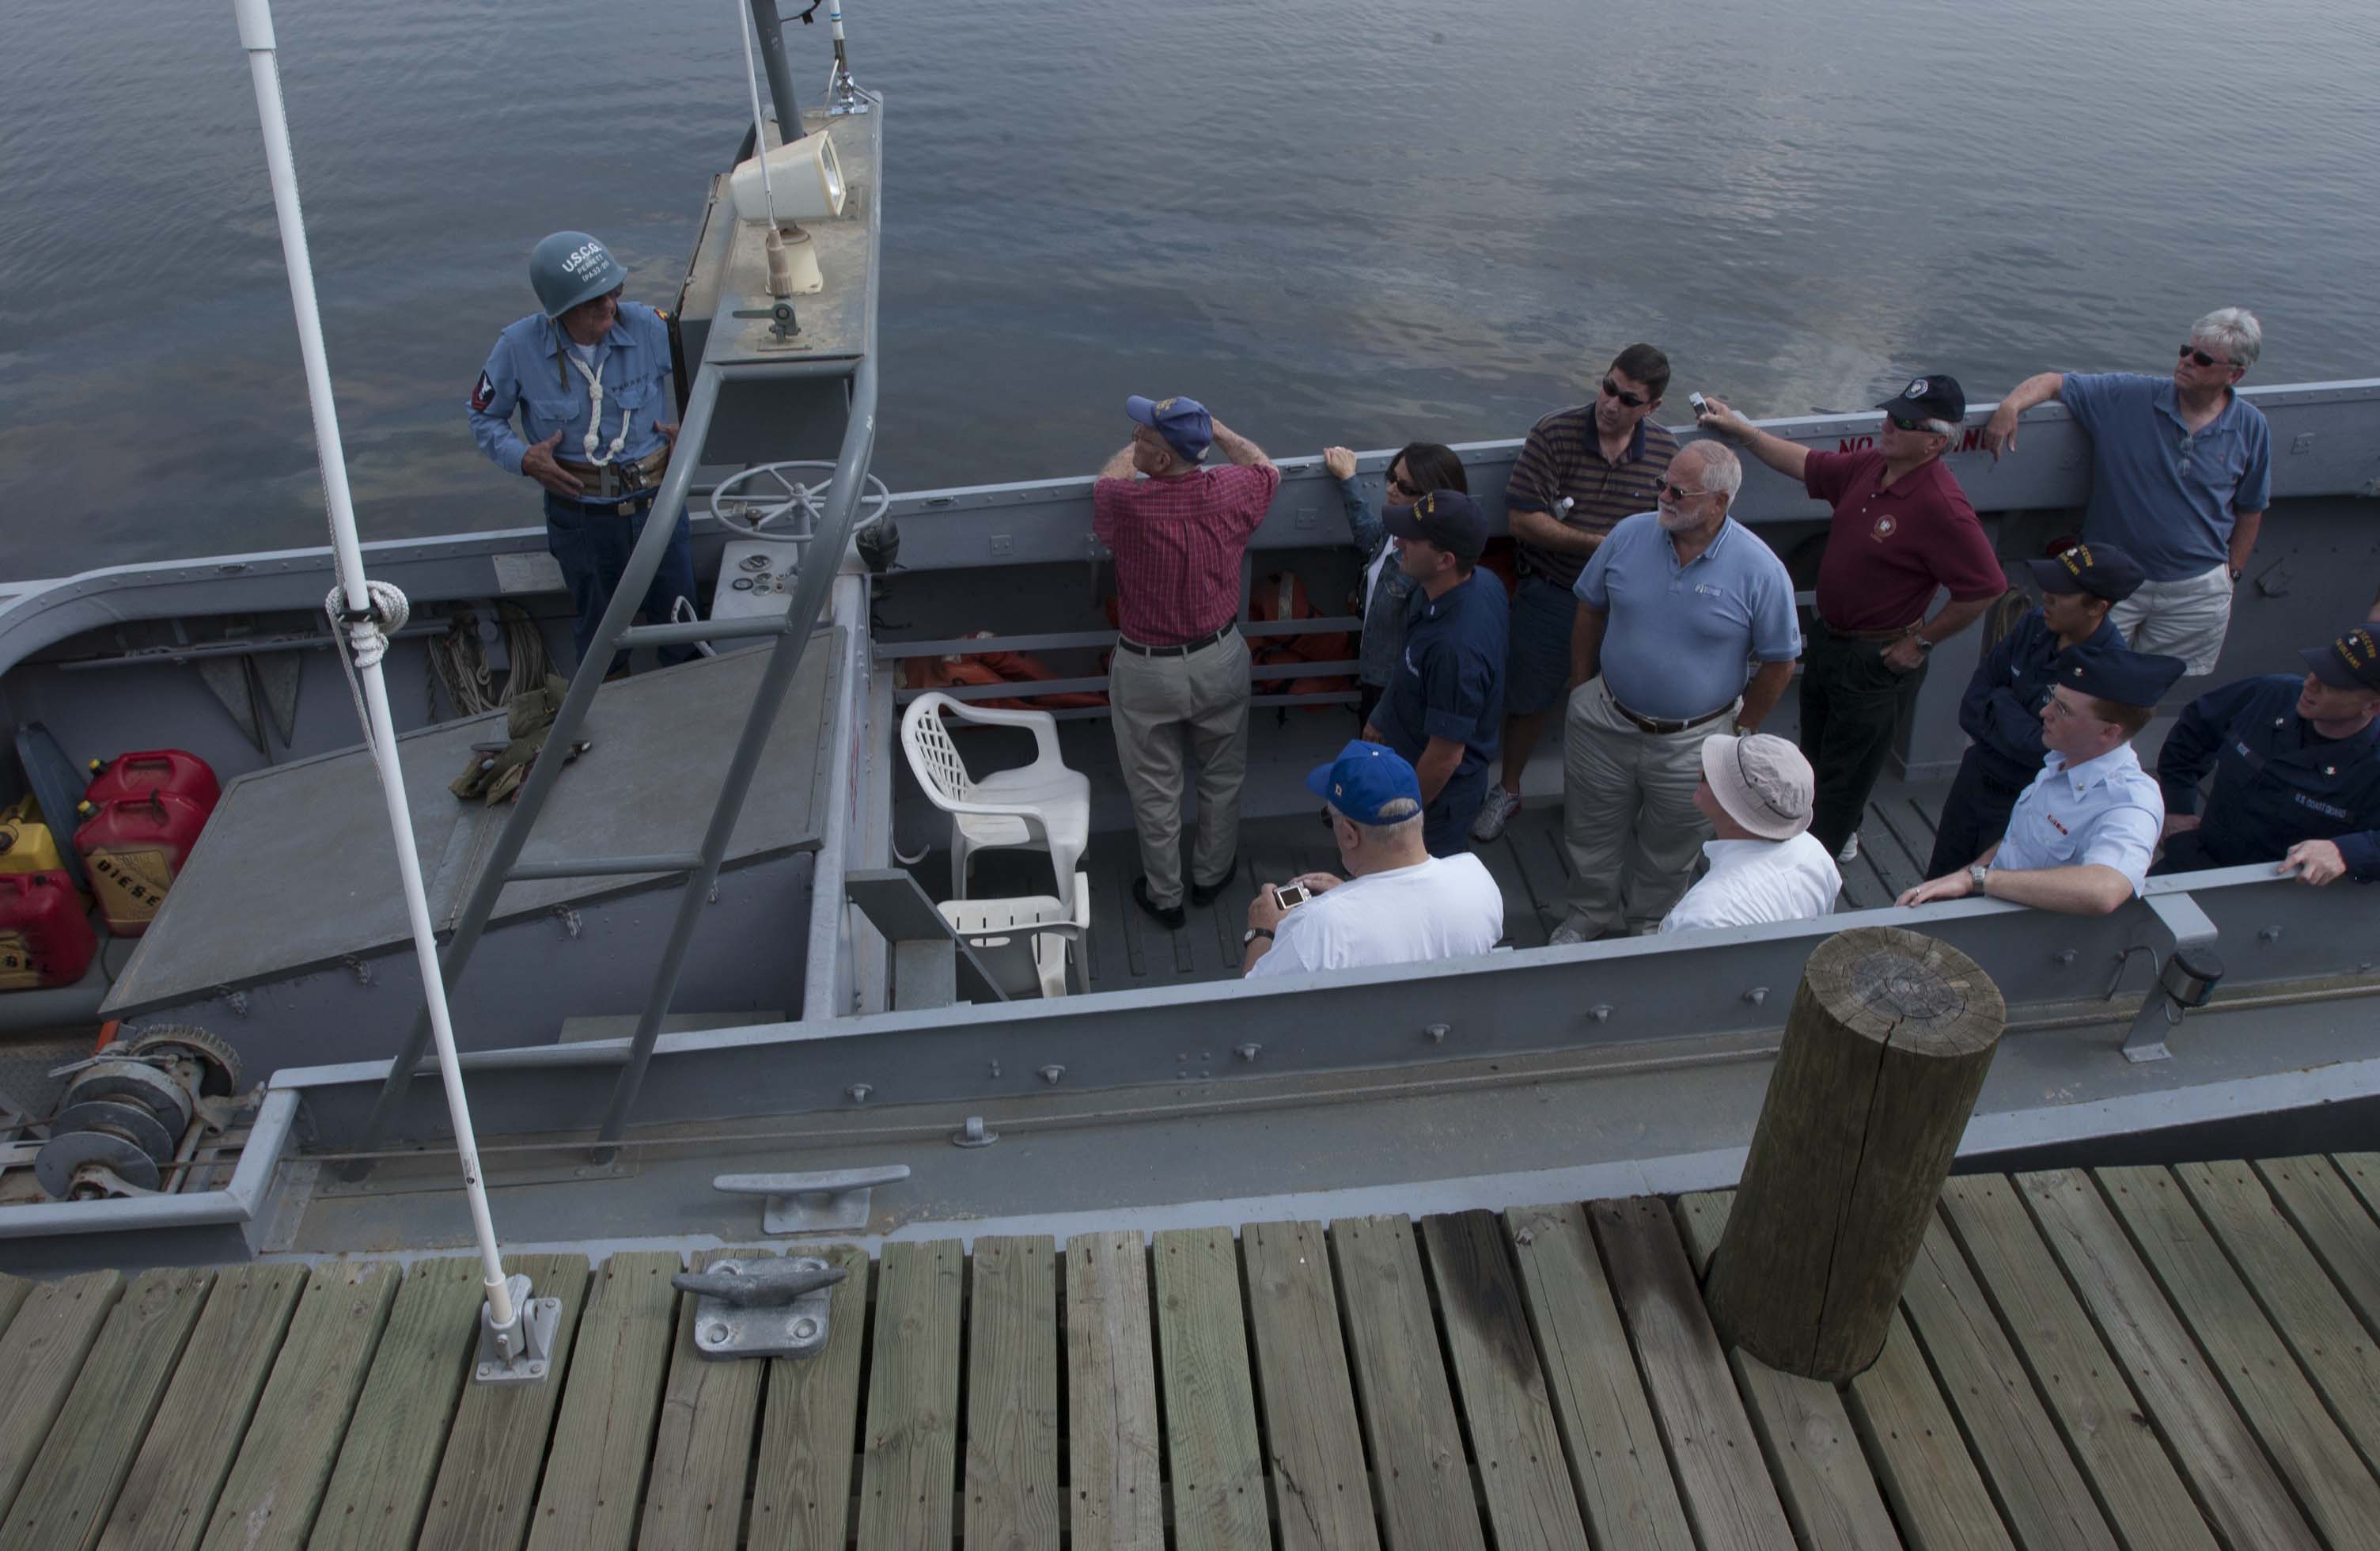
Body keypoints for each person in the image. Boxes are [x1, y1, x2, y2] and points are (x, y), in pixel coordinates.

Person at [1699, 375, 2005, 863]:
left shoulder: (1942, 506)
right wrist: (1744, 431)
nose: (1888, 425)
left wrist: (1920, 643)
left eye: (1904, 422)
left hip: (1877, 660)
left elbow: (1986, 588)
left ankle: (1811, 863)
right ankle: (1826, 833)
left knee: (1847, 773)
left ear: (1935, 441)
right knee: (1816, 752)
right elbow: (1806, 464)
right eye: (1889, 414)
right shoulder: (1872, 466)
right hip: (1830, 641)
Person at [1552, 442, 1802, 942]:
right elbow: (1589, 608)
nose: (1663, 497)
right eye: (1661, 485)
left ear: (1719, 503)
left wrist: (1741, 728)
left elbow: (1780, 661)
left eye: (1678, 492)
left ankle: (1649, 923)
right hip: (1604, 722)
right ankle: (1587, 914)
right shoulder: (1627, 536)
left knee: (1673, 845)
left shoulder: (1761, 570)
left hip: (1697, 740)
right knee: (1589, 828)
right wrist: (1582, 686)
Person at [1983, 309, 2271, 676]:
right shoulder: (2127, 397)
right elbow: (2054, 382)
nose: (2186, 362)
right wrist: (2011, 406)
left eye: (2201, 359)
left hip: (2196, 591)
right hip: (2111, 585)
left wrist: (2232, 574)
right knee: (2077, 678)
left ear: (2235, 374)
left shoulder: (2252, 427)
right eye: (2185, 350)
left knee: (2150, 689)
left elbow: (2251, 507)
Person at [1472, 345, 1681, 843]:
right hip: (1552, 592)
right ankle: (1508, 789)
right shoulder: (1554, 432)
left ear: (1651, 408)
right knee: (1528, 697)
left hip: (1627, 606)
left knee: (1629, 701)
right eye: (1608, 387)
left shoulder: (1667, 454)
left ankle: (1613, 799)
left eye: (1628, 399)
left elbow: (1677, 526)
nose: (1610, 403)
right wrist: (1603, 546)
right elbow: (1522, 519)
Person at [469, 231, 695, 677]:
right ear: (560, 311)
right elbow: (483, 417)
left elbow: (710, 369)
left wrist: (692, 423)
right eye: (594, 301)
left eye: (614, 292)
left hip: (658, 510)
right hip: (583, 520)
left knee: (683, 627)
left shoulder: (650, 327)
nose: (609, 306)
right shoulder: (518, 348)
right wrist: (523, 458)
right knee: (602, 641)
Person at [1093, 395, 1280, 929]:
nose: (1134, 441)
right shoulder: (1233, 490)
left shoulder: (1126, 505)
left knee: (1156, 789)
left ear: (1157, 461)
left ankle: (1165, 895)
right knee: (1222, 777)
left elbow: (1106, 482)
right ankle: (1212, 876)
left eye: (1143, 437)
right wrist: (1215, 429)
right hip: (1219, 657)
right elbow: (1265, 467)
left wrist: (1132, 452)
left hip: (1147, 668)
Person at [1898, 645, 2185, 914]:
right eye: (2053, 700)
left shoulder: (2130, 802)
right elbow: (2022, 842)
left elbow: (2105, 890)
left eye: (2063, 709)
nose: (2044, 712)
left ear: (2109, 733)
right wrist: (1968, 874)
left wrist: (1976, 880)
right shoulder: (2061, 760)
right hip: (1990, 903)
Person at [1925, 541, 2143, 878]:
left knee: (1988, 895)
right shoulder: (2034, 625)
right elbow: (1971, 706)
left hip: (2023, 802)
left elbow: (2043, 750)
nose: (2048, 597)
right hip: (1975, 778)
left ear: (2097, 607)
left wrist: (2001, 701)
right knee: (1939, 877)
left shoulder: (2106, 671)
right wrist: (2016, 721)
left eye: (2061, 594)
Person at [1243, 741, 1503, 977]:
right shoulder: (1476, 879)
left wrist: (1262, 931)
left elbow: (1250, 1008)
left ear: (1349, 834)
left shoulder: (1318, 929)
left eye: (1328, 819)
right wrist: (1349, 894)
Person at [2153, 624, 2380, 885]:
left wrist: (2346, 852)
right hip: (2196, 861)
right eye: (2316, 669)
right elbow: (2195, 728)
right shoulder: (2269, 695)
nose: (2311, 683)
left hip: (2286, 894)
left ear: (2373, 706)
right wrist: (2176, 806)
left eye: (2332, 684)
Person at [1362, 491, 1508, 854]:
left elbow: (1445, 758)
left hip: (1439, 800)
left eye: (1411, 539)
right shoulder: (1476, 583)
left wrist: (1398, 817)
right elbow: (1412, 661)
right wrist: (1381, 719)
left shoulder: (1455, 649)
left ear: (1445, 559)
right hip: (1405, 752)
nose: (1398, 542)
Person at [1320, 442, 1469, 730]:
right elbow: (1370, 539)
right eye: (1392, 477)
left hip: (1393, 694)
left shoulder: (1431, 567)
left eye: (1405, 487)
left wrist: (1383, 714)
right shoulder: (1397, 526)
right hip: (1373, 677)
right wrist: (1348, 480)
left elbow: (1419, 654)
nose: (1390, 489)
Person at [1659, 733, 1839, 933]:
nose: (1700, 770)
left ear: (1736, 817)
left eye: (1708, 777)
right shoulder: (1816, 854)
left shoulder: (1702, 919)